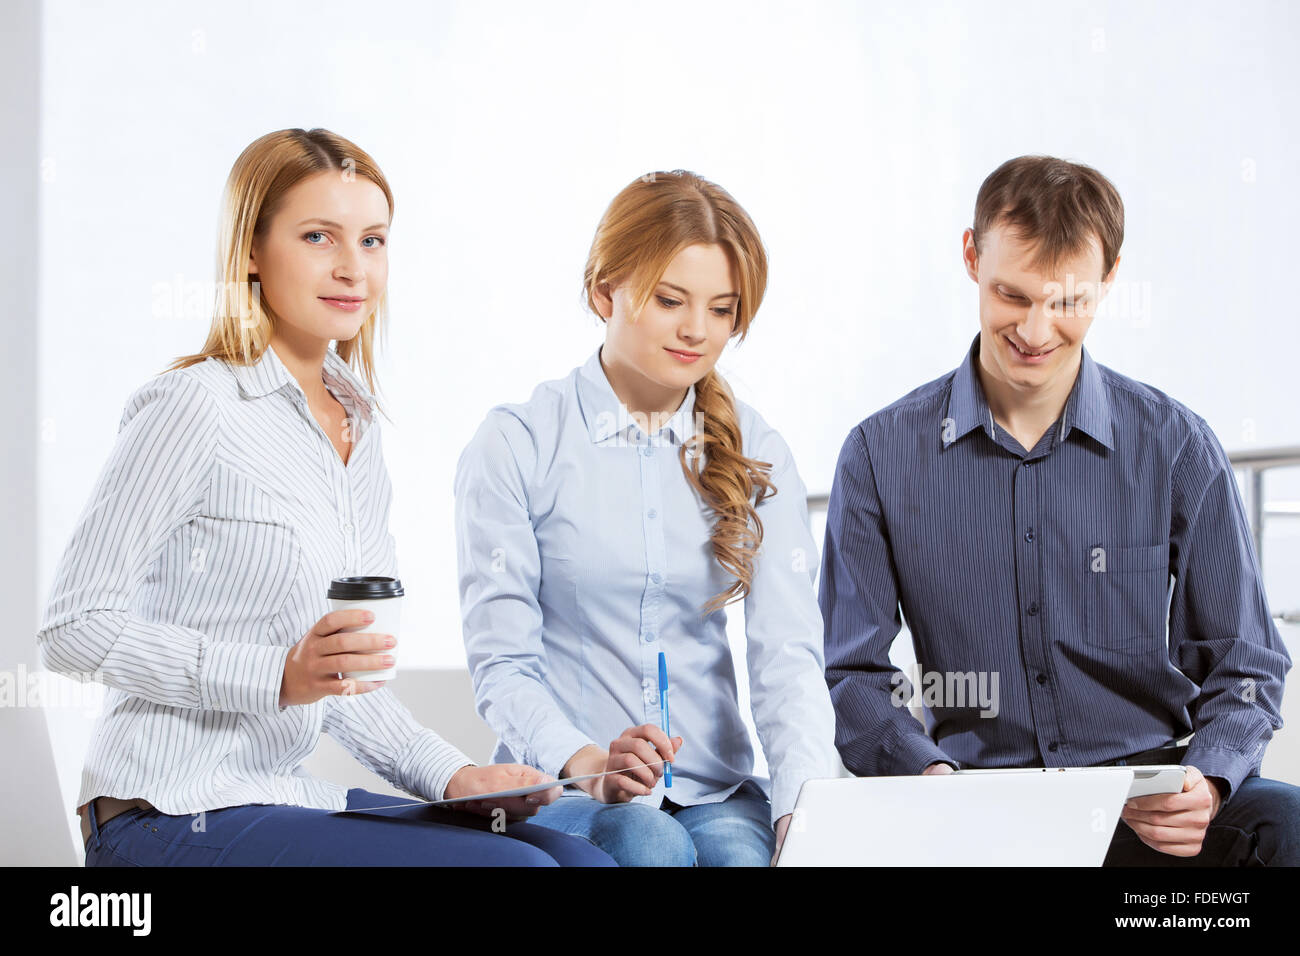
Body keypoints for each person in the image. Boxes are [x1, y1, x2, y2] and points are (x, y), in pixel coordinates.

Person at [36, 127, 613, 867]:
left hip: (282, 792)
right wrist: (276, 675)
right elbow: (72, 626)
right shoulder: (194, 406)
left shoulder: (357, 427)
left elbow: (343, 684)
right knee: (520, 869)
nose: (353, 268)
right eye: (318, 236)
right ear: (250, 248)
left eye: (373, 240)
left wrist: (458, 777)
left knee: (586, 863)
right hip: (163, 810)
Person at [819, 154, 1299, 866]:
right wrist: (927, 776)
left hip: (1145, 800)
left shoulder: (1175, 446)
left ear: (1108, 282)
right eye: (1013, 296)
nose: (1037, 332)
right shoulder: (878, 455)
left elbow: (1246, 661)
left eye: (1067, 302)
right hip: (975, 808)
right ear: (970, 256)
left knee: (1283, 824)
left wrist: (1210, 778)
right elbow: (856, 673)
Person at [454, 170, 840, 866]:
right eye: (669, 300)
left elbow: (788, 660)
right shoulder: (518, 443)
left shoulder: (758, 452)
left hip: (716, 793)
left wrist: (801, 812)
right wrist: (588, 760)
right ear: (606, 290)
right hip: (566, 790)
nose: (698, 331)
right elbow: (502, 664)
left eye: (722, 310)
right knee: (647, 841)